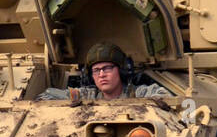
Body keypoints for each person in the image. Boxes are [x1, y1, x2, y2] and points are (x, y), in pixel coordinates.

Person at [38, 42, 169, 102]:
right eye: (96, 70)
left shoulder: (139, 93)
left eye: (107, 68)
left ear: (121, 71)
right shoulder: (86, 96)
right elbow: (48, 95)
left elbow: (165, 97)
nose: (102, 74)